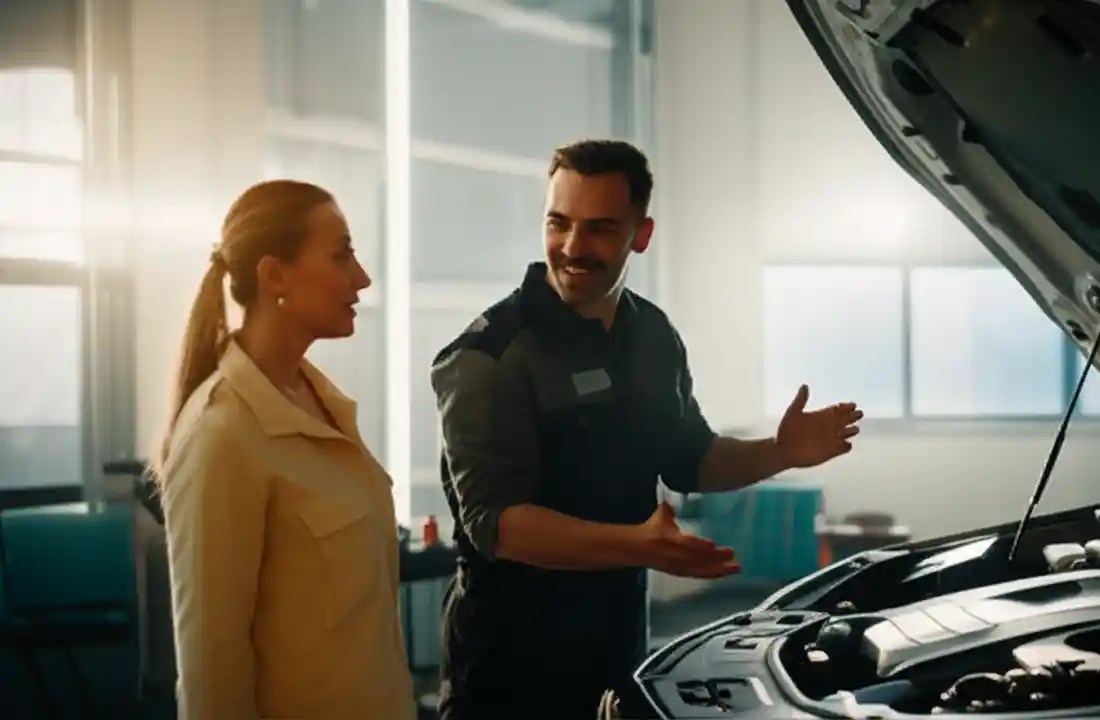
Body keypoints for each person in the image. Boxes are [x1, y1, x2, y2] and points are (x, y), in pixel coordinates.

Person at [431, 140, 863, 718]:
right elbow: (496, 525)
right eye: (558, 223)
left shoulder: (652, 334)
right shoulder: (489, 355)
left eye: (600, 229)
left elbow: (691, 458)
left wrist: (779, 452)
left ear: (642, 233)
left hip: (618, 651)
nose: (573, 248)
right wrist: (637, 546)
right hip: (510, 667)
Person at [154, 180, 416, 719]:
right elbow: (212, 670)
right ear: (274, 275)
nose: (362, 278)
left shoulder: (319, 401)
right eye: (341, 255)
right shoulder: (222, 433)